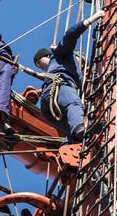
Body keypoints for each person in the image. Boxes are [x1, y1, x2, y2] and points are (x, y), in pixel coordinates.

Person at [34, 9, 104, 142]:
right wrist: (90, 20)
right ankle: (80, 128)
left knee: (72, 133)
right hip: (60, 89)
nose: (79, 63)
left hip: (49, 107)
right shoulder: (62, 55)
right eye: (78, 58)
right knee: (74, 106)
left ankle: (70, 144)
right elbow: (69, 37)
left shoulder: (76, 75)